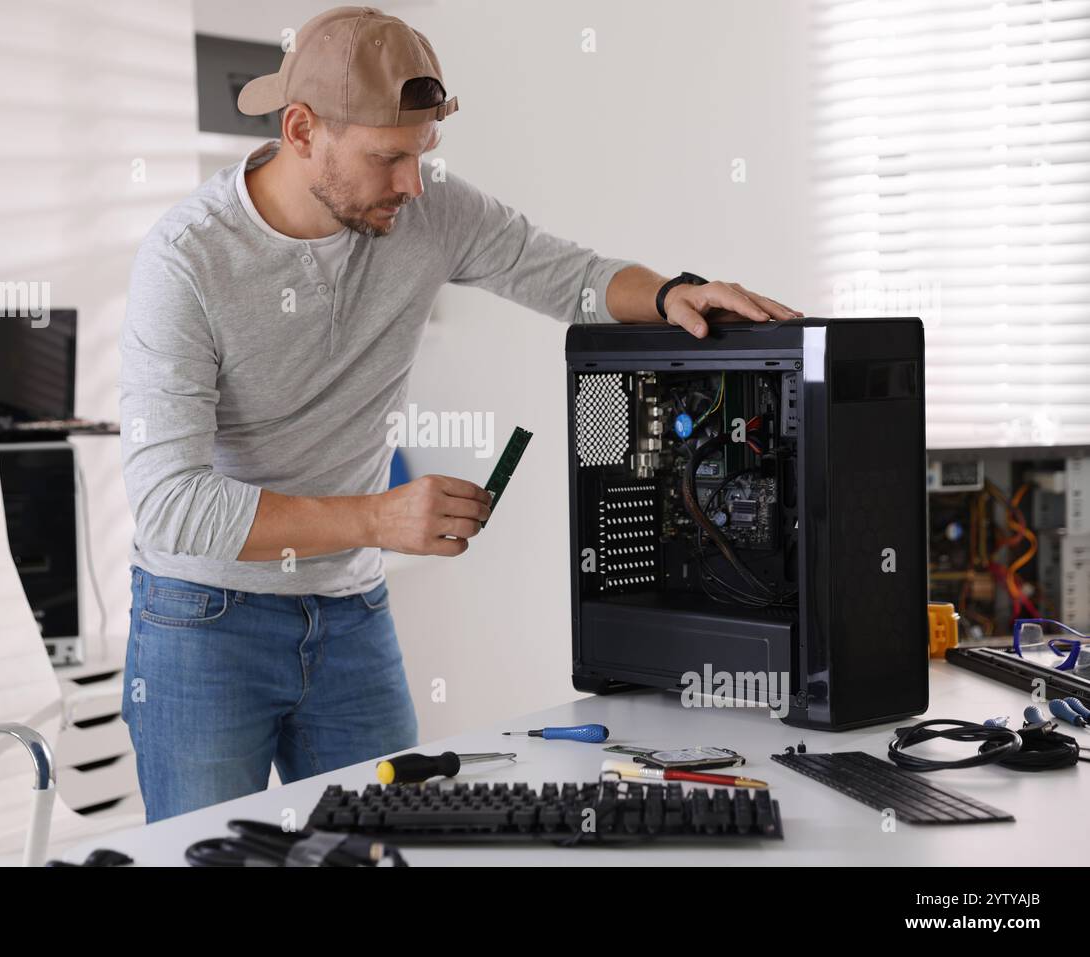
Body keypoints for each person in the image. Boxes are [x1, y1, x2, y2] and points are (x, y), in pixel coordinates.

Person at [119, 5, 802, 823]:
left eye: (422, 153)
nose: (413, 183)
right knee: (208, 854)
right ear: (301, 130)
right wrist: (378, 515)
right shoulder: (186, 259)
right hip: (203, 623)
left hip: (350, 612)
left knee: (394, 840)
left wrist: (667, 293)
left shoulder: (428, 210)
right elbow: (169, 502)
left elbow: (573, 277)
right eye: (389, 157)